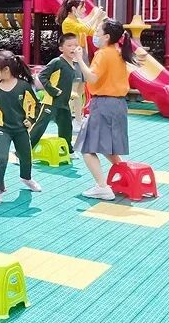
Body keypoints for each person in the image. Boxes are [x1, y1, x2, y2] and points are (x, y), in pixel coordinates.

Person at [73, 18, 139, 200]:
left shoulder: (103, 54)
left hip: (104, 103)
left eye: (98, 32)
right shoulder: (119, 52)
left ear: (107, 36)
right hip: (118, 104)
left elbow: (92, 78)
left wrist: (79, 59)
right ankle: (127, 175)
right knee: (107, 146)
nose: (95, 35)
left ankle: (102, 187)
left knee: (87, 148)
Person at [0, 49, 42, 203]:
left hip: (20, 128)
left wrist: (30, 119)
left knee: (25, 155)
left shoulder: (23, 86)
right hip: (2, 128)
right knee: (2, 157)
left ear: (5, 69)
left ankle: (26, 178)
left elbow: (35, 105)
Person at [30, 33, 81, 153]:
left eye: (75, 45)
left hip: (63, 103)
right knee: (39, 127)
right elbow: (42, 75)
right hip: (51, 102)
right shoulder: (57, 61)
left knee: (66, 127)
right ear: (61, 48)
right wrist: (53, 90)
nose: (73, 48)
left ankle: (67, 150)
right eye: (69, 45)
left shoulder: (73, 65)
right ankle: (22, 151)